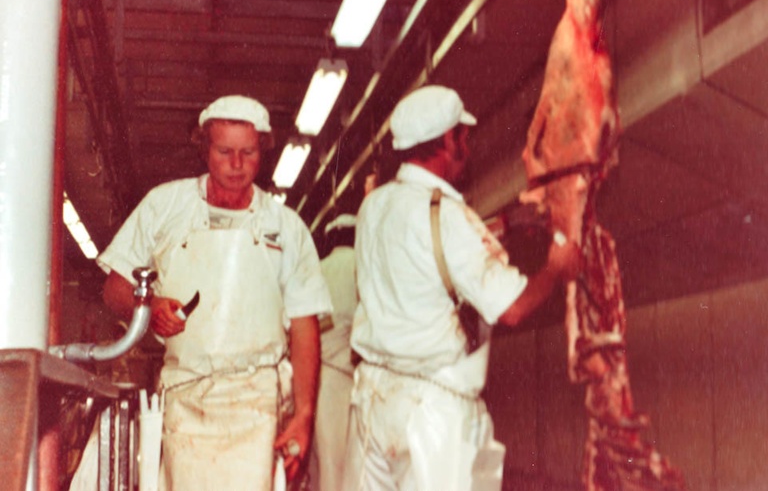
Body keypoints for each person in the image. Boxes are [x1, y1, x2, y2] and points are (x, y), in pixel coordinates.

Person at [342, 85, 580, 490]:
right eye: (462, 137)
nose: (468, 147)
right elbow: (513, 308)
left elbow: (427, 258)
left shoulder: (374, 207)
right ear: (445, 143)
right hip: (433, 414)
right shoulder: (449, 215)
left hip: (372, 403)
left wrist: (503, 225)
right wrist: (557, 268)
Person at [97, 95, 332, 490]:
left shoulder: (285, 227)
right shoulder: (164, 205)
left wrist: (304, 415)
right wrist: (149, 305)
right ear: (204, 149)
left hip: (259, 405)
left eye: (248, 152)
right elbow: (114, 288)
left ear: (263, 152)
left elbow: (305, 325)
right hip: (186, 401)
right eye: (225, 151)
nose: (237, 165)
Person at [308, 213, 358, 491]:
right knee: (345, 464)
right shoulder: (361, 267)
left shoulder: (316, 271)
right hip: (347, 380)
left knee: (322, 463)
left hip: (316, 380)